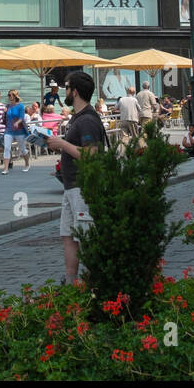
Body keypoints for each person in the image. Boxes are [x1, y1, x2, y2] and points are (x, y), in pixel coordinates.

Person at [47, 71, 108, 285]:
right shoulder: (78, 118)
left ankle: (95, 283)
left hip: (83, 186)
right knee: (68, 234)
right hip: (71, 187)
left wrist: (63, 144)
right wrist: (61, 147)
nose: (65, 90)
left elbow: (91, 155)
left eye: (67, 87)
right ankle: (71, 280)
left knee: (86, 235)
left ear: (75, 91)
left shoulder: (88, 120)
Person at [3, 89, 29, 173]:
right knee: (7, 148)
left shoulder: (20, 106)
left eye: (11, 95)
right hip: (9, 130)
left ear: (15, 96)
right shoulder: (7, 106)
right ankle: (6, 169)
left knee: (22, 149)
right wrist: (4, 112)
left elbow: (22, 117)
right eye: (8, 95)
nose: (9, 96)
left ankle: (27, 164)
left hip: (19, 131)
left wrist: (17, 122)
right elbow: (5, 118)